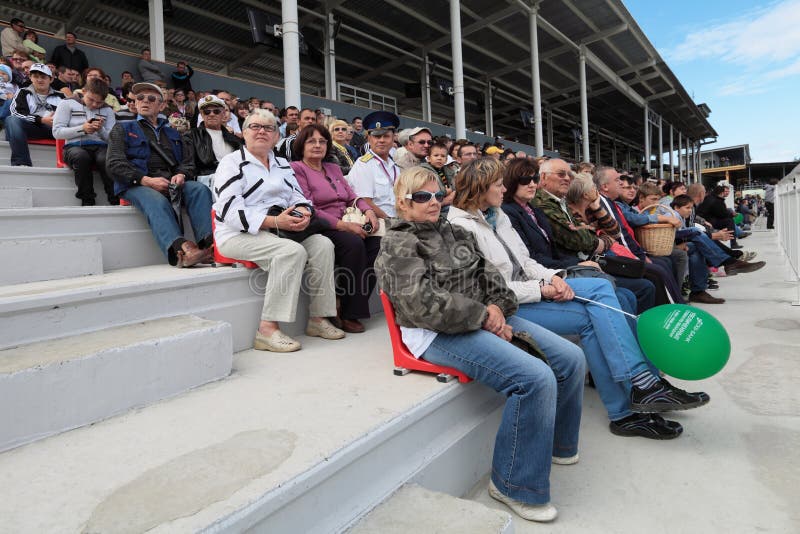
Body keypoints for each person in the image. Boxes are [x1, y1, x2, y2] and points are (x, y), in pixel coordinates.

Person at [375, 166, 586, 522]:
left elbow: (493, 280)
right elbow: (420, 305)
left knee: (572, 358)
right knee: (534, 379)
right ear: (402, 203)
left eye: (437, 194)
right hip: (436, 333)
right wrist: (482, 317)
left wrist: (496, 311)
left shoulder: (457, 231)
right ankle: (514, 485)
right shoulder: (398, 243)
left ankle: (554, 444)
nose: (432, 202)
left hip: (483, 318)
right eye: (421, 197)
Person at [449, 158, 704, 437]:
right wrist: (541, 289)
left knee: (602, 297)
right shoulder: (460, 226)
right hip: (507, 304)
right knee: (599, 306)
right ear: (480, 187)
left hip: (531, 289)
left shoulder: (499, 215)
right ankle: (638, 391)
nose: (504, 189)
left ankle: (637, 397)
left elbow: (527, 263)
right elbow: (486, 288)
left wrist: (555, 277)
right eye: (498, 185)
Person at [212, 109, 344, 352]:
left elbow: (298, 196)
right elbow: (229, 212)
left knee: (323, 244)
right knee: (291, 251)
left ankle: (318, 319)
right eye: (255, 126)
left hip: (279, 228)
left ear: (276, 136)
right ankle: (267, 329)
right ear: (244, 133)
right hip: (237, 234)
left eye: (269, 128)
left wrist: (303, 212)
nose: (262, 131)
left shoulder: (281, 163)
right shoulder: (230, 163)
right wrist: (275, 223)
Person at [501, 159, 651, 314]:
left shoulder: (534, 209)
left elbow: (611, 232)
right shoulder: (529, 208)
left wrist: (594, 214)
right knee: (629, 291)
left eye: (535, 179)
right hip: (547, 276)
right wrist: (578, 262)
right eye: (526, 180)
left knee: (634, 289)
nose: (532, 184)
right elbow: (581, 241)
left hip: (562, 267)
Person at [106, 82, 212, 267]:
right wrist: (145, 179)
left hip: (170, 181)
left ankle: (210, 245)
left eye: (151, 98)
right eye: (140, 98)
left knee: (199, 190)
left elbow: (187, 163)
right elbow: (114, 163)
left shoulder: (173, 132)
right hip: (137, 183)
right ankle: (182, 251)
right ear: (135, 102)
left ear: (162, 106)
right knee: (156, 199)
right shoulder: (122, 128)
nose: (144, 101)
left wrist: (181, 174)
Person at [290, 124, 381, 333]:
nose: (317, 145)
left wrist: (368, 211)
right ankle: (350, 313)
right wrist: (344, 226)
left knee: (376, 243)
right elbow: (307, 206)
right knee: (354, 244)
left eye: (322, 141)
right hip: (320, 224)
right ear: (301, 145)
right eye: (311, 141)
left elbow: (351, 196)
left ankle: (345, 301)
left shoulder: (333, 168)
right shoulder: (296, 169)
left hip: (348, 220)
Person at [52, 77, 117, 205]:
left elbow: (113, 140)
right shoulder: (66, 103)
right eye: (91, 99)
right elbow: (57, 132)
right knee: (81, 157)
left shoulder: (108, 110)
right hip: (73, 147)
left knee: (106, 159)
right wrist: (82, 129)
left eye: (99, 103)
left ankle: (115, 198)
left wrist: (101, 130)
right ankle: (87, 200)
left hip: (100, 147)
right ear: (83, 91)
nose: (94, 105)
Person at [5, 63, 64, 166]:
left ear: (51, 79)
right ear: (30, 78)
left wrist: (57, 123)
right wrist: (41, 120)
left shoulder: (61, 96)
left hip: (56, 129)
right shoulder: (23, 92)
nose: (39, 80)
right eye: (35, 76)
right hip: (34, 127)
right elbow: (16, 113)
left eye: (43, 77)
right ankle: (22, 163)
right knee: (12, 120)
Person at [347, 111, 400, 220]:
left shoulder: (394, 166)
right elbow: (365, 201)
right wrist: (390, 221)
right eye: (377, 136)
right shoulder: (363, 164)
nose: (381, 140)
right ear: (369, 139)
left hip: (399, 219)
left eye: (386, 136)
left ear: (393, 138)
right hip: (379, 221)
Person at [183, 94, 242, 192]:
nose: (211, 114)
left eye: (216, 111)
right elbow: (188, 164)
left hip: (234, 179)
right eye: (207, 112)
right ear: (201, 115)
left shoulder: (234, 139)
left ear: (223, 114)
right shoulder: (191, 135)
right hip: (206, 180)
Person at [419, 141, 456, 215]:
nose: (439, 158)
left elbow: (453, 185)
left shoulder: (448, 171)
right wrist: (446, 192)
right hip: (434, 204)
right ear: (429, 158)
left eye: (443, 156)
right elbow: (429, 190)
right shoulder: (425, 172)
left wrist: (452, 189)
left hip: (446, 202)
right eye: (436, 155)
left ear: (446, 160)